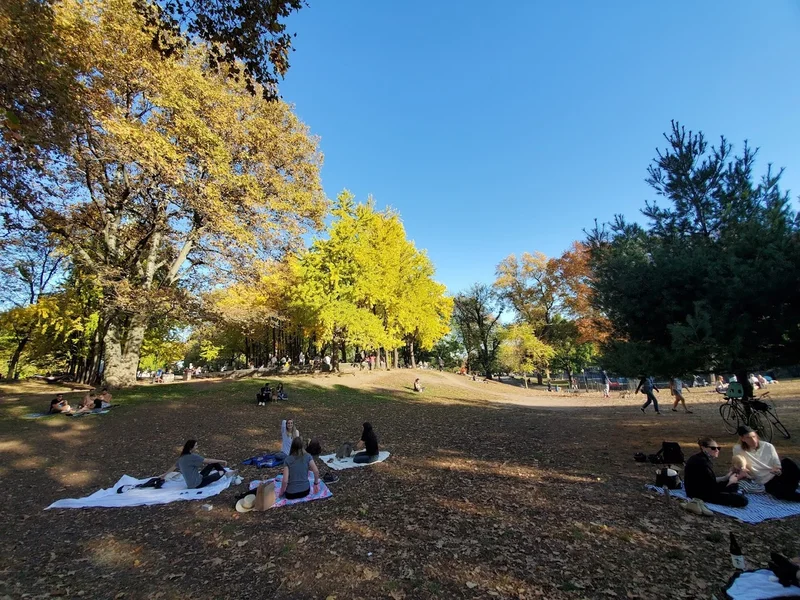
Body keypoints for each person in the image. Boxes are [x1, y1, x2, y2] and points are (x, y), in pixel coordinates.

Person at [733, 426, 800, 501]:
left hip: (776, 475)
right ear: (743, 439)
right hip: (765, 482)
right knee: (783, 494)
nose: (753, 440)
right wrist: (743, 468)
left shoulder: (768, 446)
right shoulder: (738, 449)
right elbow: (738, 461)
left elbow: (777, 465)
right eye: (748, 438)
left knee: (787, 462)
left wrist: (777, 469)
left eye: (754, 436)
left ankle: (794, 486)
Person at [684, 437, 748, 507]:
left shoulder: (701, 459)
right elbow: (712, 487)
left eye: (718, 448)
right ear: (703, 448)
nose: (717, 450)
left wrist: (726, 478)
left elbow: (709, 480)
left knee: (734, 486)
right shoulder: (703, 463)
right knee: (742, 500)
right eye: (713, 448)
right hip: (699, 494)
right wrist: (730, 481)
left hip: (701, 489)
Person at [163, 440, 234, 489]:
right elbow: (207, 460)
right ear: (191, 447)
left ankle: (226, 473)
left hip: (197, 479)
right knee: (221, 472)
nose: (197, 446)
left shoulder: (182, 457)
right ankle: (225, 473)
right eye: (196, 445)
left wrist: (163, 475)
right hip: (197, 484)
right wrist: (222, 461)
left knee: (213, 463)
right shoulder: (192, 456)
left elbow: (173, 467)